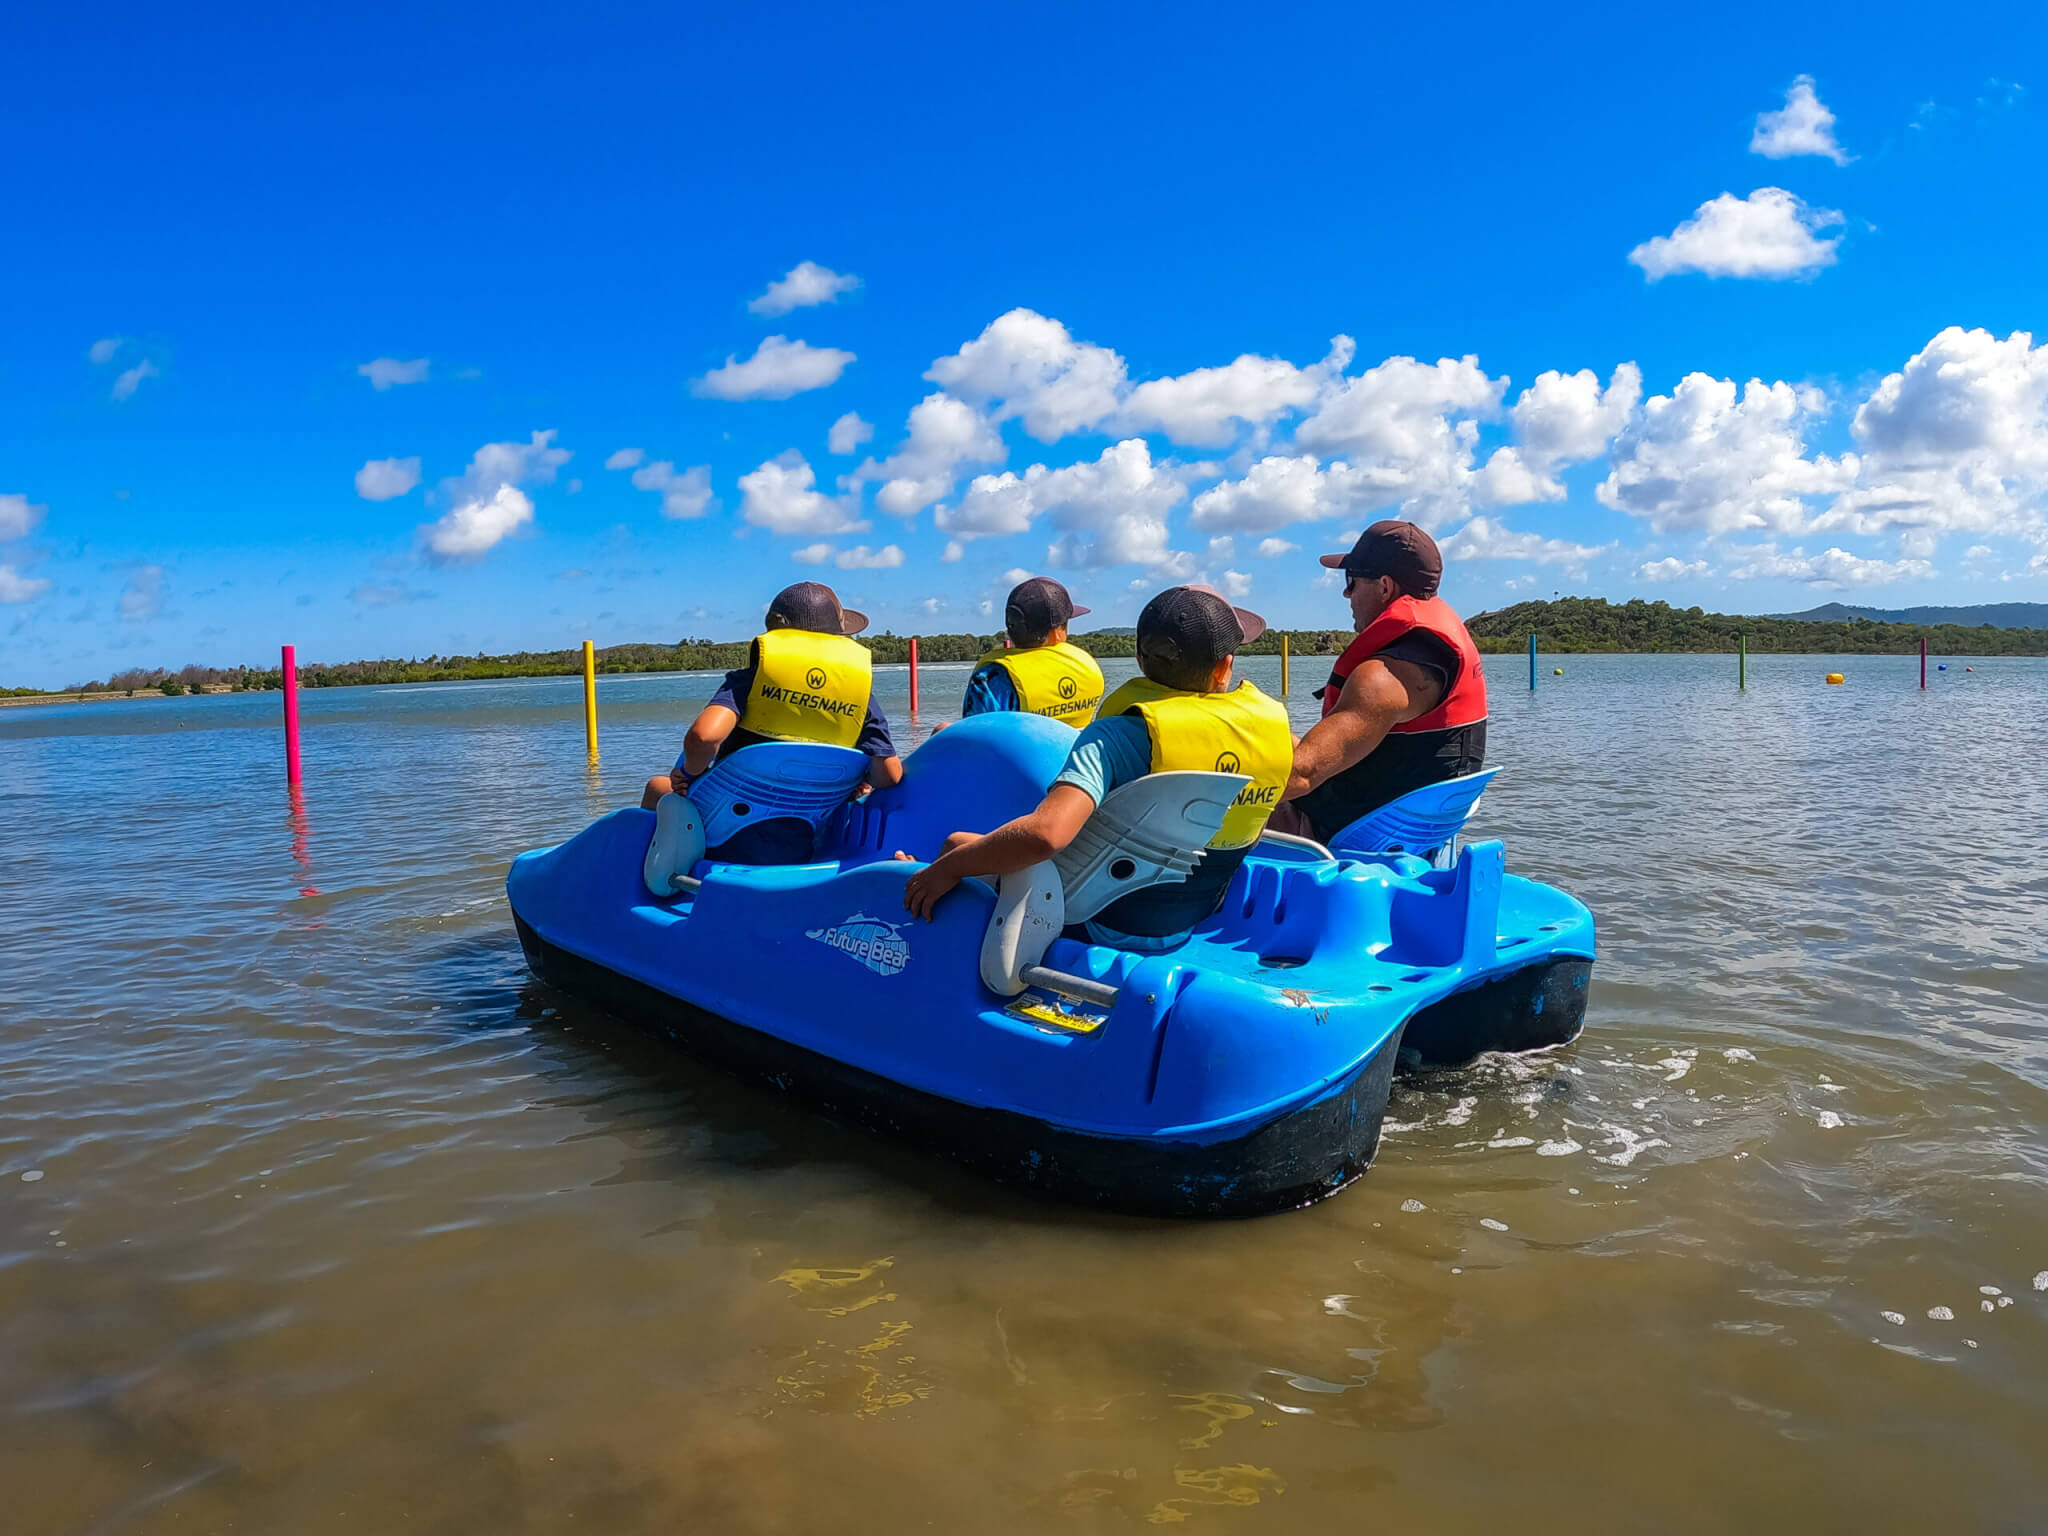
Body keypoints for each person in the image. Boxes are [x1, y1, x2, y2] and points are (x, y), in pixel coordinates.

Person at [902, 584, 1293, 951]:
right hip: (1185, 920)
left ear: (1141, 659)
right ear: (1226, 666)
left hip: (1095, 920)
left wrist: (945, 871)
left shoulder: (1115, 738)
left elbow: (1046, 836)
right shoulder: (1273, 735)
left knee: (956, 847)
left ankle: (913, 899)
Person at [640, 581, 903, 863]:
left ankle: (652, 886)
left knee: (658, 788)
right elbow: (889, 774)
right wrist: (854, 781)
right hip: (801, 836)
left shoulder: (750, 682)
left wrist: (689, 775)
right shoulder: (859, 696)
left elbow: (703, 738)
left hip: (721, 833)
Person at [1274, 521, 1487, 842]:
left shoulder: (1382, 678)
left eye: (1352, 581)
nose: (1347, 593)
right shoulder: (1437, 653)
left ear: (1385, 587)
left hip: (1341, 834)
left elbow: (1298, 776)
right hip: (1415, 829)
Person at [960, 576, 1105, 727]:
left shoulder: (989, 679)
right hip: (1075, 748)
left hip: (1016, 750)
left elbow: (976, 740)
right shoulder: (1085, 665)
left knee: (942, 729)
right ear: (1056, 632)